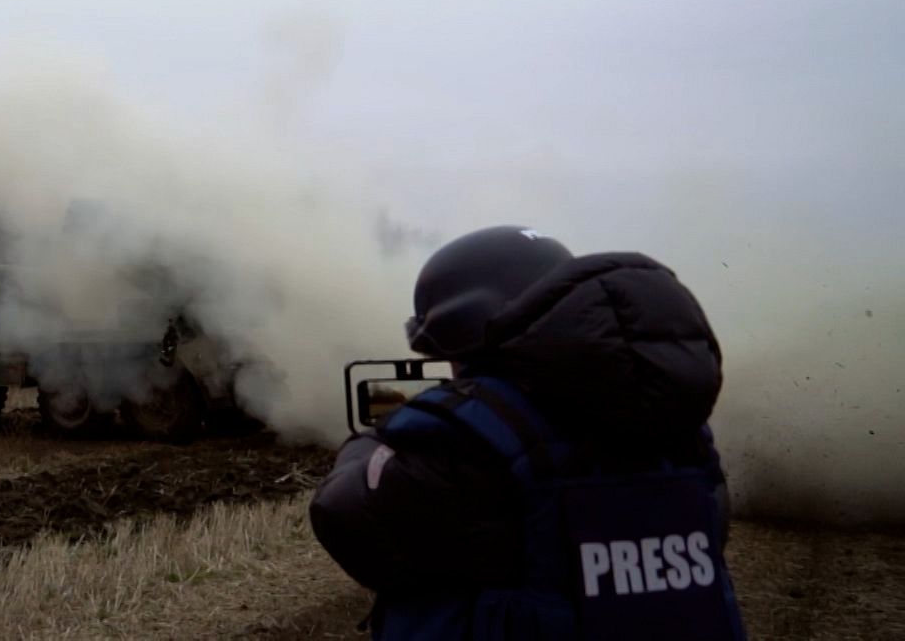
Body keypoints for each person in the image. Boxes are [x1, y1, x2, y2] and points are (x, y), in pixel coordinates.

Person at [311, 226, 746, 640]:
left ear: (472, 330)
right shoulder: (677, 431)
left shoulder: (473, 434)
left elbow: (345, 516)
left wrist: (368, 444)